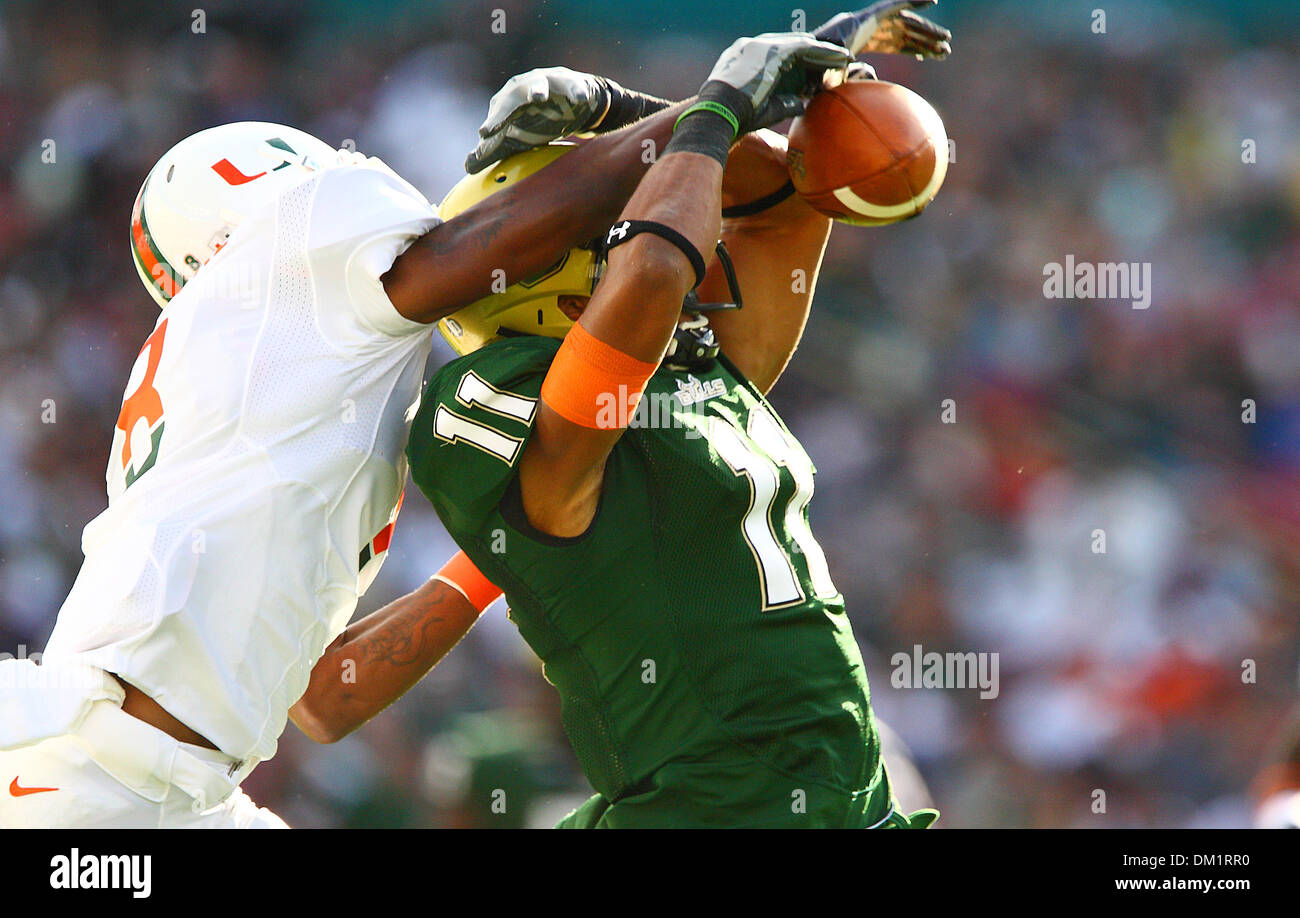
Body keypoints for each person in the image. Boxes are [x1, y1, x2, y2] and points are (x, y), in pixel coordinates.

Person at [0, 91, 694, 827]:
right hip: (102, 785)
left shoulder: (242, 392)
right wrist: (699, 117)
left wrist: (501, 551)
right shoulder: (286, 252)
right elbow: (496, 241)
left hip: (152, 779)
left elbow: (321, 700)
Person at [403, 13, 949, 826]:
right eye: (622, 217)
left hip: (842, 804)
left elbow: (789, 188)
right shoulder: (530, 413)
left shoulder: (700, 378)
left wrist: (623, 110)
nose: (702, 225)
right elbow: (656, 261)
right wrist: (720, 103)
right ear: (572, 295)